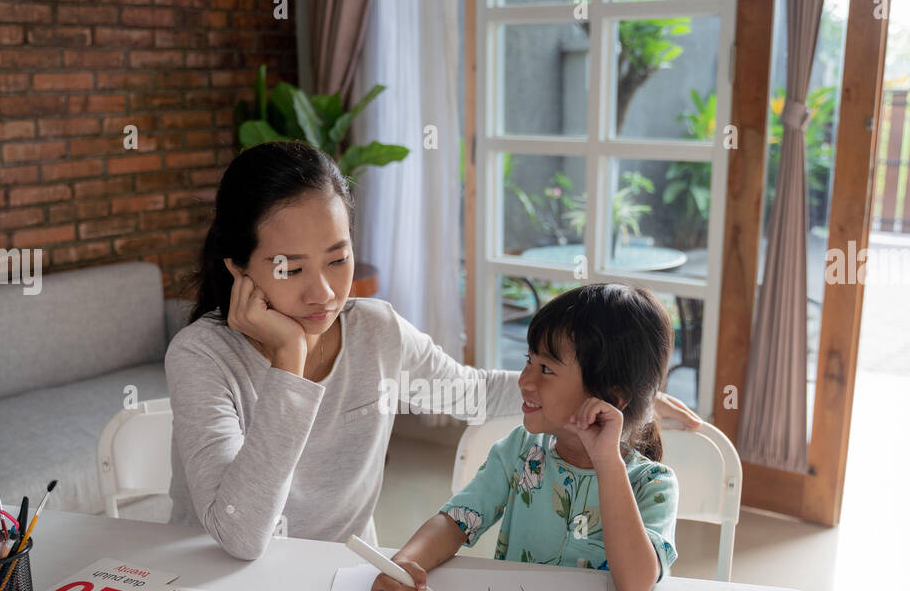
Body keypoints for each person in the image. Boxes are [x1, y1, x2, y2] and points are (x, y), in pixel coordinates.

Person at [167, 140, 701, 559]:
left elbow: (469, 393)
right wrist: (291, 366)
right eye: (291, 267)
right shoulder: (201, 356)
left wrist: (611, 395)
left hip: (337, 582)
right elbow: (241, 537)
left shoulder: (375, 332)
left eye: (337, 259)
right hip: (214, 590)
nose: (325, 293)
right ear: (237, 268)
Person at [371, 282, 679, 591]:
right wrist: (404, 563)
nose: (524, 380)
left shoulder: (654, 485)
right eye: (528, 360)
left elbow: (634, 585)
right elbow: (455, 522)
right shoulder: (521, 452)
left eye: (546, 369)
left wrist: (607, 463)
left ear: (609, 398)